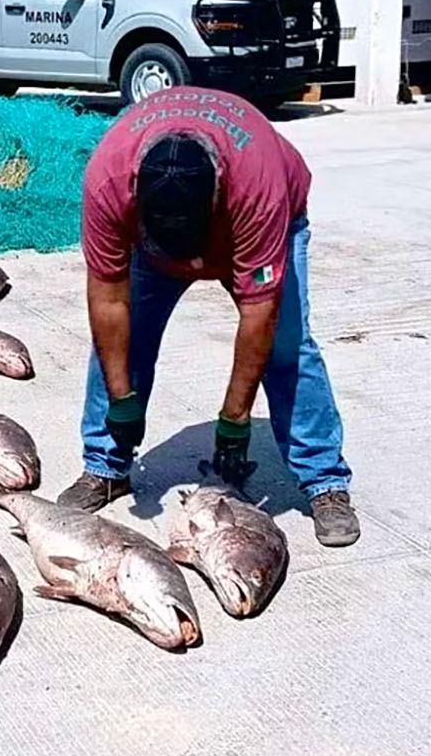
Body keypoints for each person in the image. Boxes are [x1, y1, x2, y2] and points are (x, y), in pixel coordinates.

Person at [58, 86, 359, 547]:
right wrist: (122, 398)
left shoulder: (257, 187)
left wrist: (235, 420)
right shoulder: (108, 180)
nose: (193, 268)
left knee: (288, 348)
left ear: (218, 191)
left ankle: (324, 482)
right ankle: (106, 466)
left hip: (259, 222)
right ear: (136, 194)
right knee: (122, 341)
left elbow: (261, 315)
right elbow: (107, 302)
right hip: (160, 243)